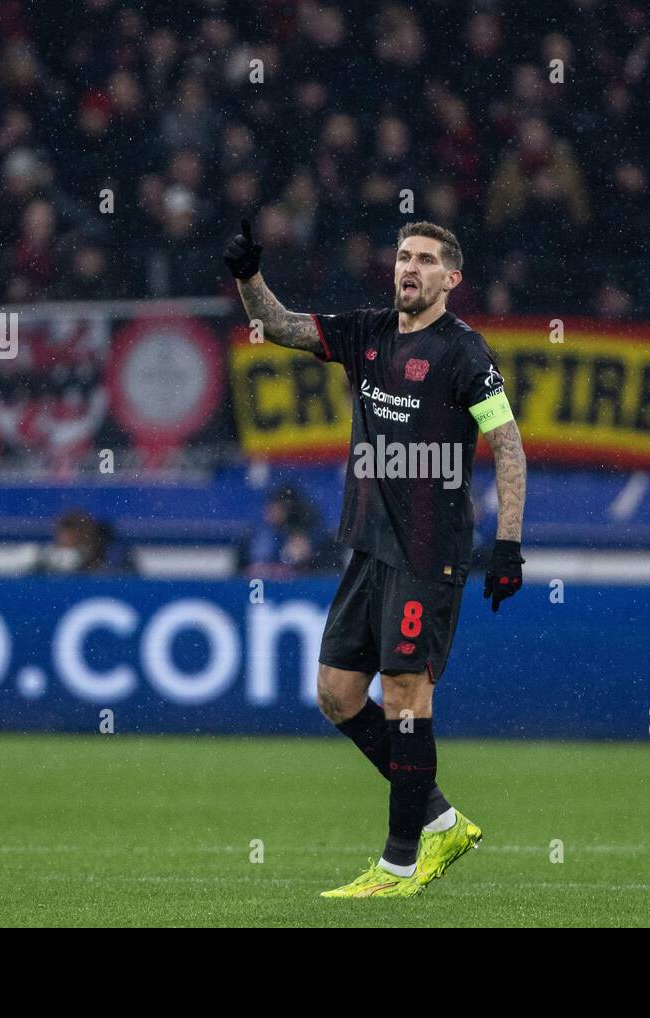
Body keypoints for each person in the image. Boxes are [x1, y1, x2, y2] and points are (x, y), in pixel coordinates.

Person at [225, 218, 527, 898]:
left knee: (404, 698)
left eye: (424, 260)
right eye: (402, 257)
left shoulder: (466, 355)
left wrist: (507, 545)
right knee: (336, 694)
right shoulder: (369, 333)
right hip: (368, 548)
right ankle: (441, 818)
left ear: (452, 278)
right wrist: (248, 278)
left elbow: (508, 447)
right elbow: (280, 326)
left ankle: (397, 866)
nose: (408, 268)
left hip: (428, 554)